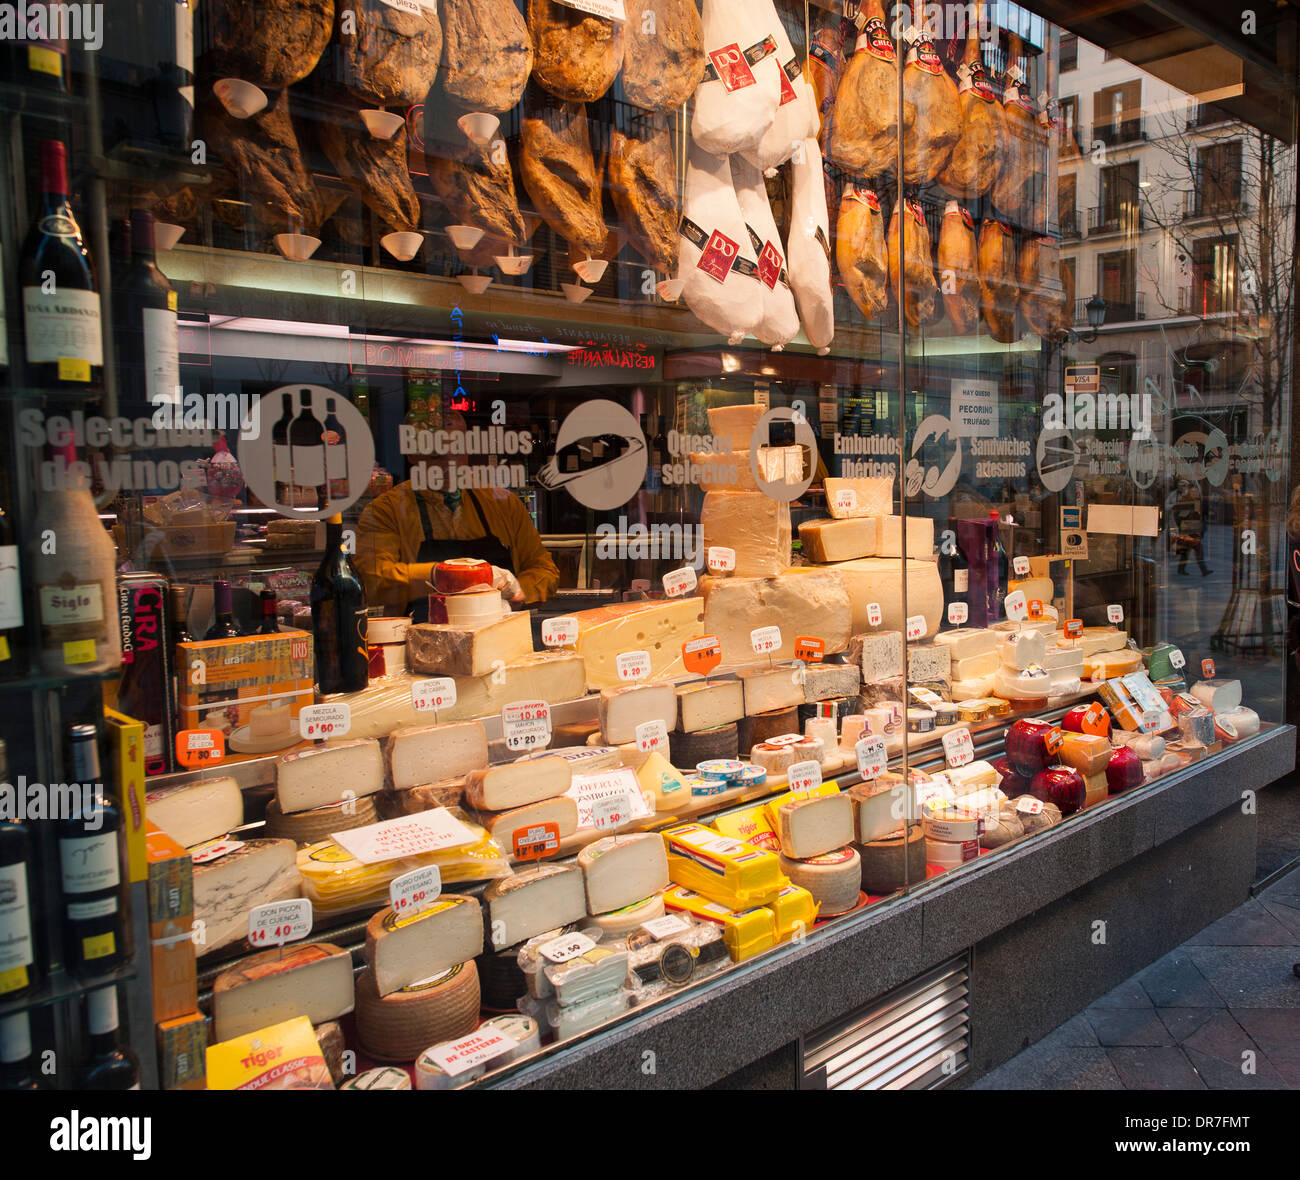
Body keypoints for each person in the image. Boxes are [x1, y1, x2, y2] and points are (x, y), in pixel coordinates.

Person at [356, 411, 559, 619]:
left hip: (497, 637)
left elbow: (545, 570)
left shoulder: (503, 504)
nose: (449, 460)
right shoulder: (386, 511)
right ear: (412, 454)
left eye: (457, 448)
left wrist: (519, 589)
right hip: (419, 640)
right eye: (436, 450)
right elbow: (375, 581)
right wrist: (443, 575)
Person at [1170, 479, 1212, 576]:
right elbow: (1176, 514)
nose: (1195, 493)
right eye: (1193, 491)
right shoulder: (1185, 500)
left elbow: (1205, 513)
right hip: (1187, 530)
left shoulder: (1201, 501)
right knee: (1197, 550)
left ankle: (1182, 569)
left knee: (1187, 551)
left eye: (1196, 491)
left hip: (1195, 530)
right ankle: (1203, 570)